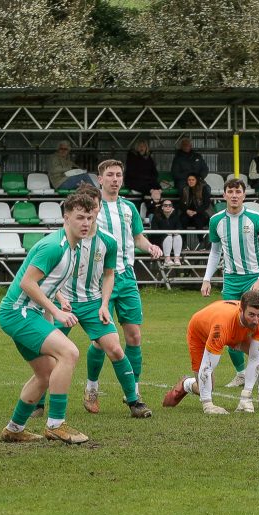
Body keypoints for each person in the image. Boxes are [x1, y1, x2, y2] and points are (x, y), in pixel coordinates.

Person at [0, 192, 96, 444]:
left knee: (46, 373)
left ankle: (14, 429)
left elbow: (48, 284)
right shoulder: (54, 245)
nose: (85, 223)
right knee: (70, 353)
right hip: (18, 313)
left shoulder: (73, 247)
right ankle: (56, 425)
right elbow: (28, 283)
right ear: (66, 218)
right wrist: (57, 311)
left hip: (26, 314)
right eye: (80, 217)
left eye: (90, 217)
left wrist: (53, 310)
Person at [199, 178, 259, 411]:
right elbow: (215, 251)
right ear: (225, 195)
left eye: (238, 191)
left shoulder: (256, 219)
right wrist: (207, 278)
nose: (234, 195)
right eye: (230, 191)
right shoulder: (216, 221)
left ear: (244, 195)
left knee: (255, 329)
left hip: (253, 278)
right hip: (230, 280)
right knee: (229, 328)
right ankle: (241, 373)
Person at [83, 159, 163, 417]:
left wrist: (150, 246)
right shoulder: (92, 208)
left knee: (134, 337)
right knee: (100, 340)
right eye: (110, 175)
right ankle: (92, 387)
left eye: (119, 175)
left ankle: (134, 389)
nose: (115, 179)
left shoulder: (128, 208)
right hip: (99, 278)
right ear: (100, 179)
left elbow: (137, 237)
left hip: (127, 277)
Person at [162, 291, 259, 414]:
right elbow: (207, 367)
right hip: (200, 333)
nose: (256, 320)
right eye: (251, 315)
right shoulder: (221, 327)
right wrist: (208, 405)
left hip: (233, 330)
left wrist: (246, 396)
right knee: (206, 387)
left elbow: (255, 357)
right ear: (241, 311)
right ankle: (187, 384)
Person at [124, 140, 165, 214]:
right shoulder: (132, 157)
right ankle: (150, 211)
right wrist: (147, 178)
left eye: (143, 146)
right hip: (133, 180)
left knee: (157, 187)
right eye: (140, 146)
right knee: (148, 189)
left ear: (146, 148)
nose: (142, 148)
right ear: (136, 148)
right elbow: (131, 173)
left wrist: (153, 179)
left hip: (147, 181)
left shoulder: (149, 158)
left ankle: (158, 210)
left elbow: (154, 172)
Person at [179, 173, 212, 245]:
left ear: (196, 180)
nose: (191, 181)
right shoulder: (185, 189)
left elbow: (206, 204)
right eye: (189, 180)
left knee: (198, 219)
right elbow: (181, 204)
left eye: (193, 180)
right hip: (188, 214)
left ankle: (201, 243)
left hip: (201, 213)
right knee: (182, 219)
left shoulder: (203, 189)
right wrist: (187, 210)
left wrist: (196, 211)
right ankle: (183, 243)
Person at [149, 198, 183, 266]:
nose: (168, 207)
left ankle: (177, 259)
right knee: (168, 236)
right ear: (162, 207)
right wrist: (166, 234)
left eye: (170, 205)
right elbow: (154, 231)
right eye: (165, 205)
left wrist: (174, 233)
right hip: (158, 242)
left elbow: (179, 228)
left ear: (172, 208)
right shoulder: (156, 216)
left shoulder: (176, 217)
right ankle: (167, 259)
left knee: (178, 236)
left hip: (173, 243)